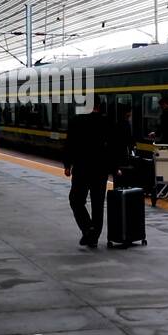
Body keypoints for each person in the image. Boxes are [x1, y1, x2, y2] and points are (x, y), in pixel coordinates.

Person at [64, 98, 119, 248]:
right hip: (100, 170)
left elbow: (69, 145)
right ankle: (94, 235)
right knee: (97, 203)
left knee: (76, 200)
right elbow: (113, 147)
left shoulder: (76, 121)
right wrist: (115, 168)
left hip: (82, 169)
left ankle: (87, 228)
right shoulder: (106, 122)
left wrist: (67, 165)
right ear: (99, 106)